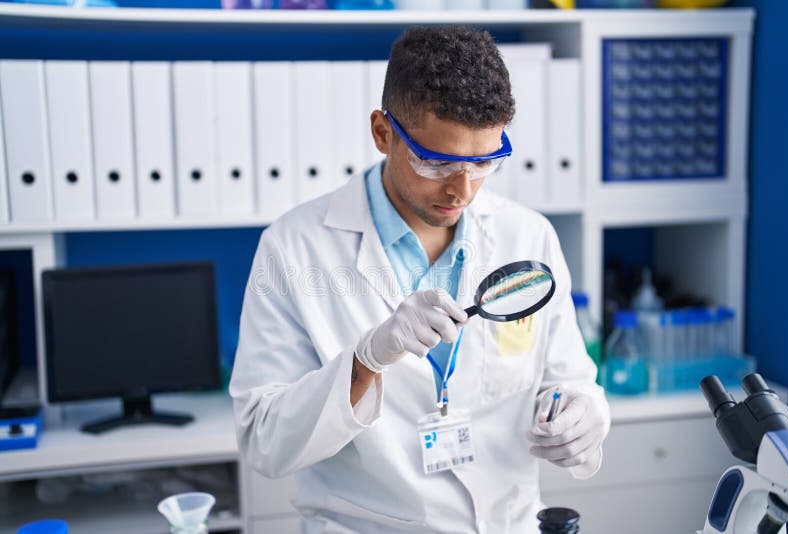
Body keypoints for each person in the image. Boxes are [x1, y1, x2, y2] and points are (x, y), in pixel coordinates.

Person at [230, 25, 610, 533]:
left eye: (484, 162)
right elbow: (265, 443)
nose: (463, 190)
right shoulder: (293, 248)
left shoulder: (528, 237)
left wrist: (581, 418)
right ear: (383, 133)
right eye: (436, 162)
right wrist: (366, 361)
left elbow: (570, 380)